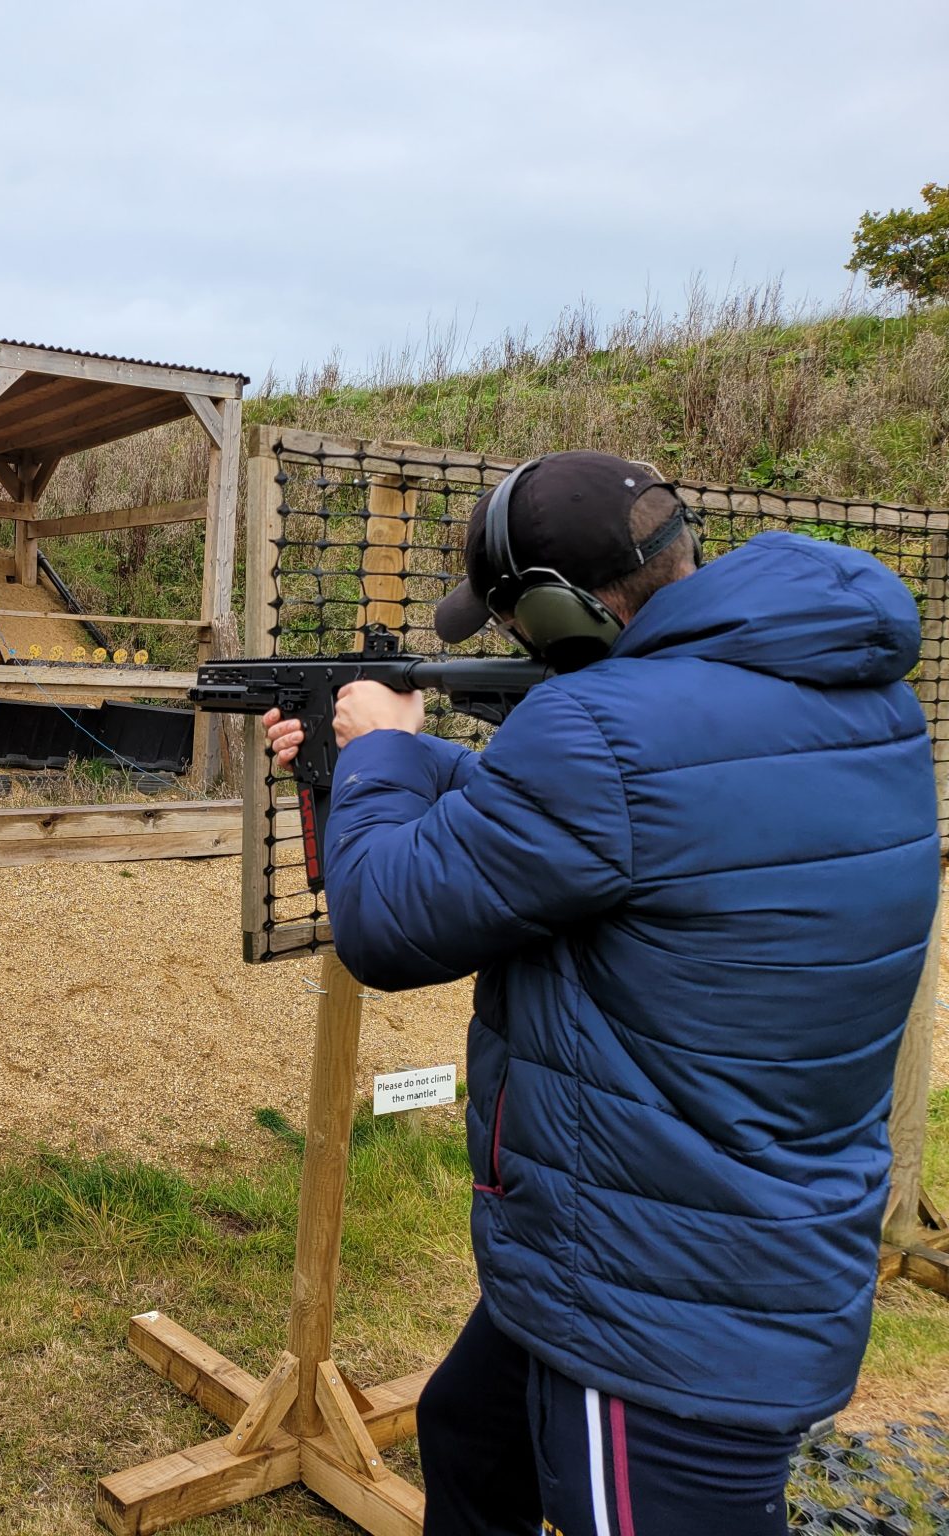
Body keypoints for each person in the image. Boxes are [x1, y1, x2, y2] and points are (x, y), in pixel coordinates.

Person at [262, 451, 939, 1534]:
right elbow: (612, 827)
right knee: (469, 1437)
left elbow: (385, 924)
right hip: (743, 1219)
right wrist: (384, 764)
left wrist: (384, 756)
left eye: (515, 623)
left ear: (555, 609)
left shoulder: (603, 735)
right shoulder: (848, 695)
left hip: (661, 1287)